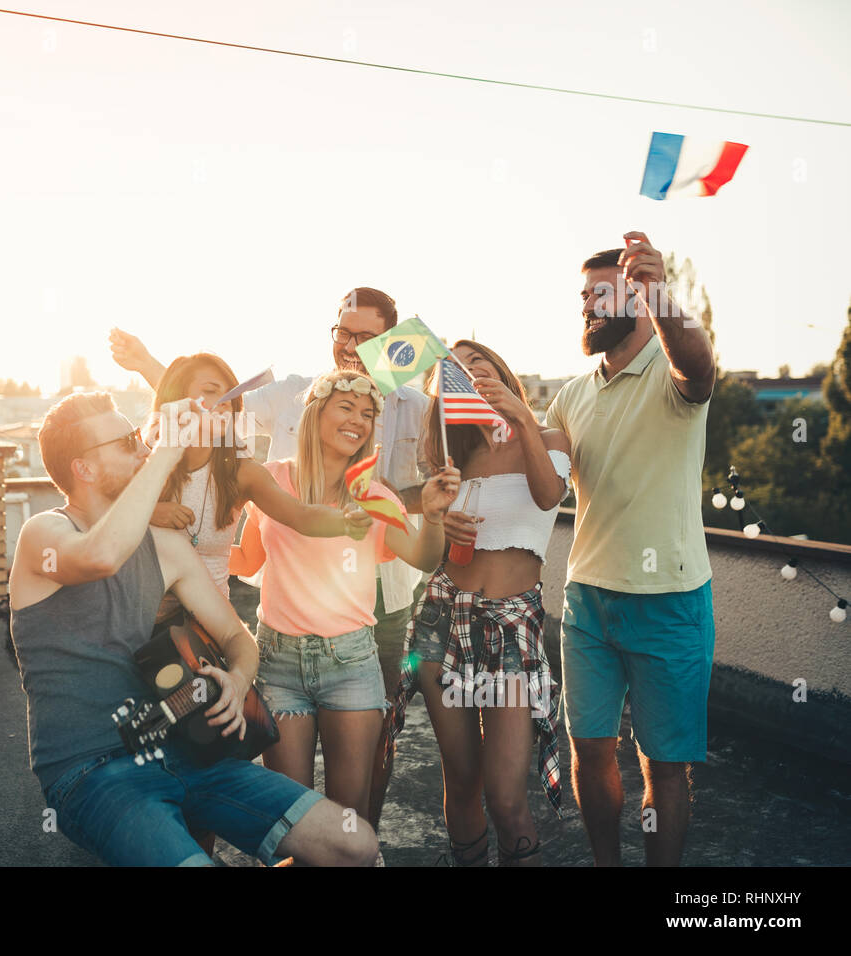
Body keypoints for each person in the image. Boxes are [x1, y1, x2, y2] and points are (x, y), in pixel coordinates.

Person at [8, 389, 379, 866]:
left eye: (140, 439)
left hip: (184, 752)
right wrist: (166, 450)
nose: (143, 448)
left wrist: (237, 678)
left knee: (355, 845)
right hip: (90, 770)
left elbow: (235, 637)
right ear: (84, 469)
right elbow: (101, 555)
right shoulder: (44, 534)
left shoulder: (164, 544)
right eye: (126, 443)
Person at [110, 287, 431, 828]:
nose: (350, 345)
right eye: (342, 332)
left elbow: (451, 459)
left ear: (393, 342)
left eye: (366, 336)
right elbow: (215, 405)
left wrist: (385, 503)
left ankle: (356, 846)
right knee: (237, 779)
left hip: (381, 596)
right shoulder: (291, 395)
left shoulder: (416, 405)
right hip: (280, 616)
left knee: (371, 751)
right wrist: (147, 364)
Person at [227, 368, 458, 852]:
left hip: (351, 664)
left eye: (369, 413)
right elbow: (246, 559)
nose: (359, 420)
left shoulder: (375, 494)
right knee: (291, 820)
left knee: (349, 821)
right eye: (346, 407)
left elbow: (423, 557)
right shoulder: (271, 481)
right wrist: (187, 544)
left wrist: (433, 517)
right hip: (278, 662)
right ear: (315, 412)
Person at [544, 232, 716, 867]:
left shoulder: (674, 375)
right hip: (587, 601)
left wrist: (665, 296)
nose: (586, 306)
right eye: (582, 296)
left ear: (640, 299)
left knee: (665, 768)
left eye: (599, 294)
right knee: (590, 751)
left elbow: (698, 367)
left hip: (668, 603)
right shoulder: (572, 392)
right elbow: (538, 462)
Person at [388, 342, 571, 866]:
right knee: (462, 779)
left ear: (501, 372)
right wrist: (441, 522)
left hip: (512, 626)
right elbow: (432, 552)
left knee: (506, 794)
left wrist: (520, 418)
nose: (465, 372)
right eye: (453, 370)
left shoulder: (550, 438)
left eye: (476, 362)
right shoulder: (454, 458)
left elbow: (548, 494)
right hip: (445, 616)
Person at [147, 352, 374, 624]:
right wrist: (148, 512)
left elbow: (300, 515)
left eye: (230, 396)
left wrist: (344, 522)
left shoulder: (243, 472)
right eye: (210, 391)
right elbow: (94, 522)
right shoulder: (140, 457)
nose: (224, 403)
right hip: (139, 620)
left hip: (207, 629)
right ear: (177, 399)